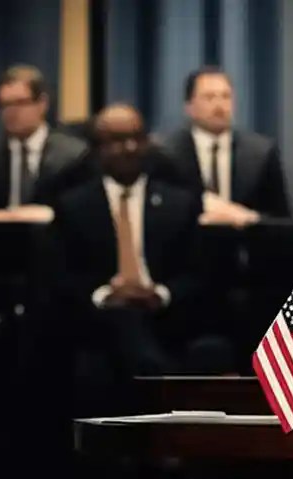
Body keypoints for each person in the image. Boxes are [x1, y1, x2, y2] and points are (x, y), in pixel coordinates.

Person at [47, 103, 223, 404]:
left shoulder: (180, 202)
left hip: (164, 315)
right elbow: (61, 278)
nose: (129, 148)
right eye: (116, 139)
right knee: (121, 318)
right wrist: (105, 294)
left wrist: (160, 293)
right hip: (99, 319)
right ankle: (158, 392)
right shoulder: (73, 206)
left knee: (133, 322)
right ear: (97, 148)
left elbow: (199, 273)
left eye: (136, 138)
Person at [157, 66, 293, 224]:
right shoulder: (167, 154)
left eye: (226, 96)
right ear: (189, 107)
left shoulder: (261, 153)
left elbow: (283, 222)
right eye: (209, 97)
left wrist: (248, 218)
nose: (219, 105)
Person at [0, 65, 90, 217]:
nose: (11, 112)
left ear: (42, 103)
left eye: (20, 103)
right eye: (5, 105)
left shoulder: (74, 156)